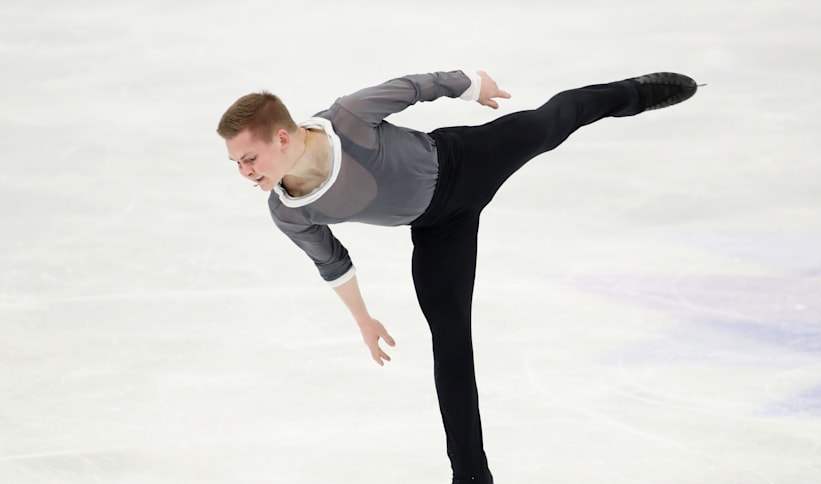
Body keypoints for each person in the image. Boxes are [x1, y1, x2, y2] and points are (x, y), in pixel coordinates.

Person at [216, 70, 698, 483]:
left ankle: (636, 92)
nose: (243, 172)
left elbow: (414, 86)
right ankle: (470, 476)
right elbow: (332, 262)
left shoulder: (348, 118)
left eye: (249, 159)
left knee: (552, 122)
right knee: (450, 345)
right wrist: (364, 320)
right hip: (437, 230)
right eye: (236, 163)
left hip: (466, 160)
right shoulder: (289, 211)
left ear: (282, 137)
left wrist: (471, 85)